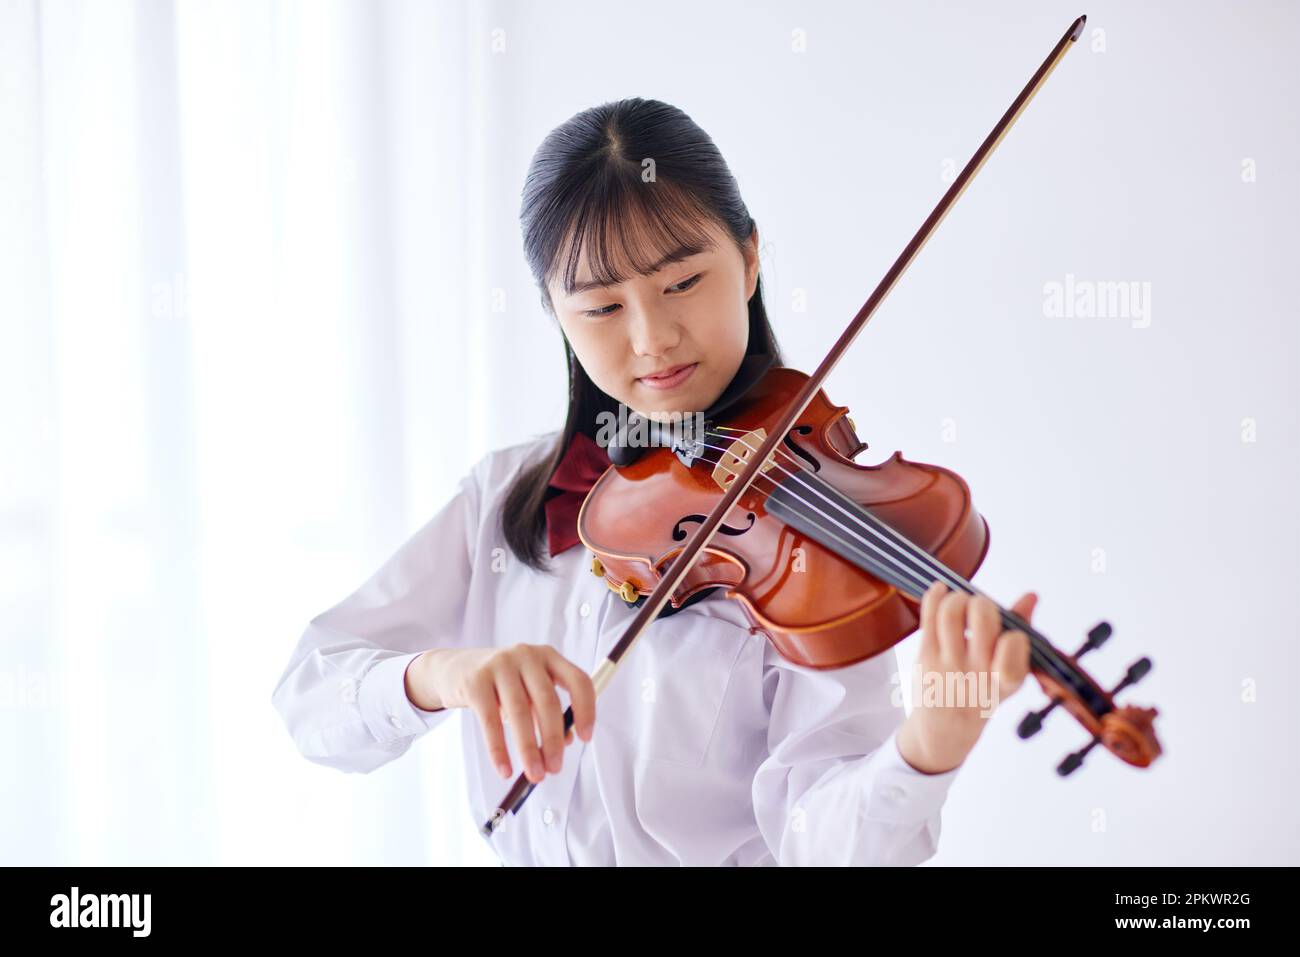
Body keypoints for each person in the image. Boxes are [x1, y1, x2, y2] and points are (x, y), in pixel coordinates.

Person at [271, 97, 1037, 866]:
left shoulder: (809, 552)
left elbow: (822, 843)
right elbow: (311, 696)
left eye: (682, 282)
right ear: (555, 313)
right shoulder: (503, 498)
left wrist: (926, 749)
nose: (652, 338)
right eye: (602, 305)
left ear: (750, 258)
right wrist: (444, 673)